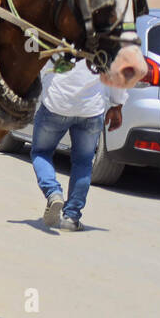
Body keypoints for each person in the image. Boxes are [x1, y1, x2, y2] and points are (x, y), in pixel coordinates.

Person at [31, 59, 128, 232]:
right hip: (90, 111)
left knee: (41, 152)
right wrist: (117, 105)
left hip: (55, 105)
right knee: (83, 162)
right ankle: (71, 217)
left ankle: (53, 193)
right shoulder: (101, 40)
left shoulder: (59, 34)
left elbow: (39, 64)